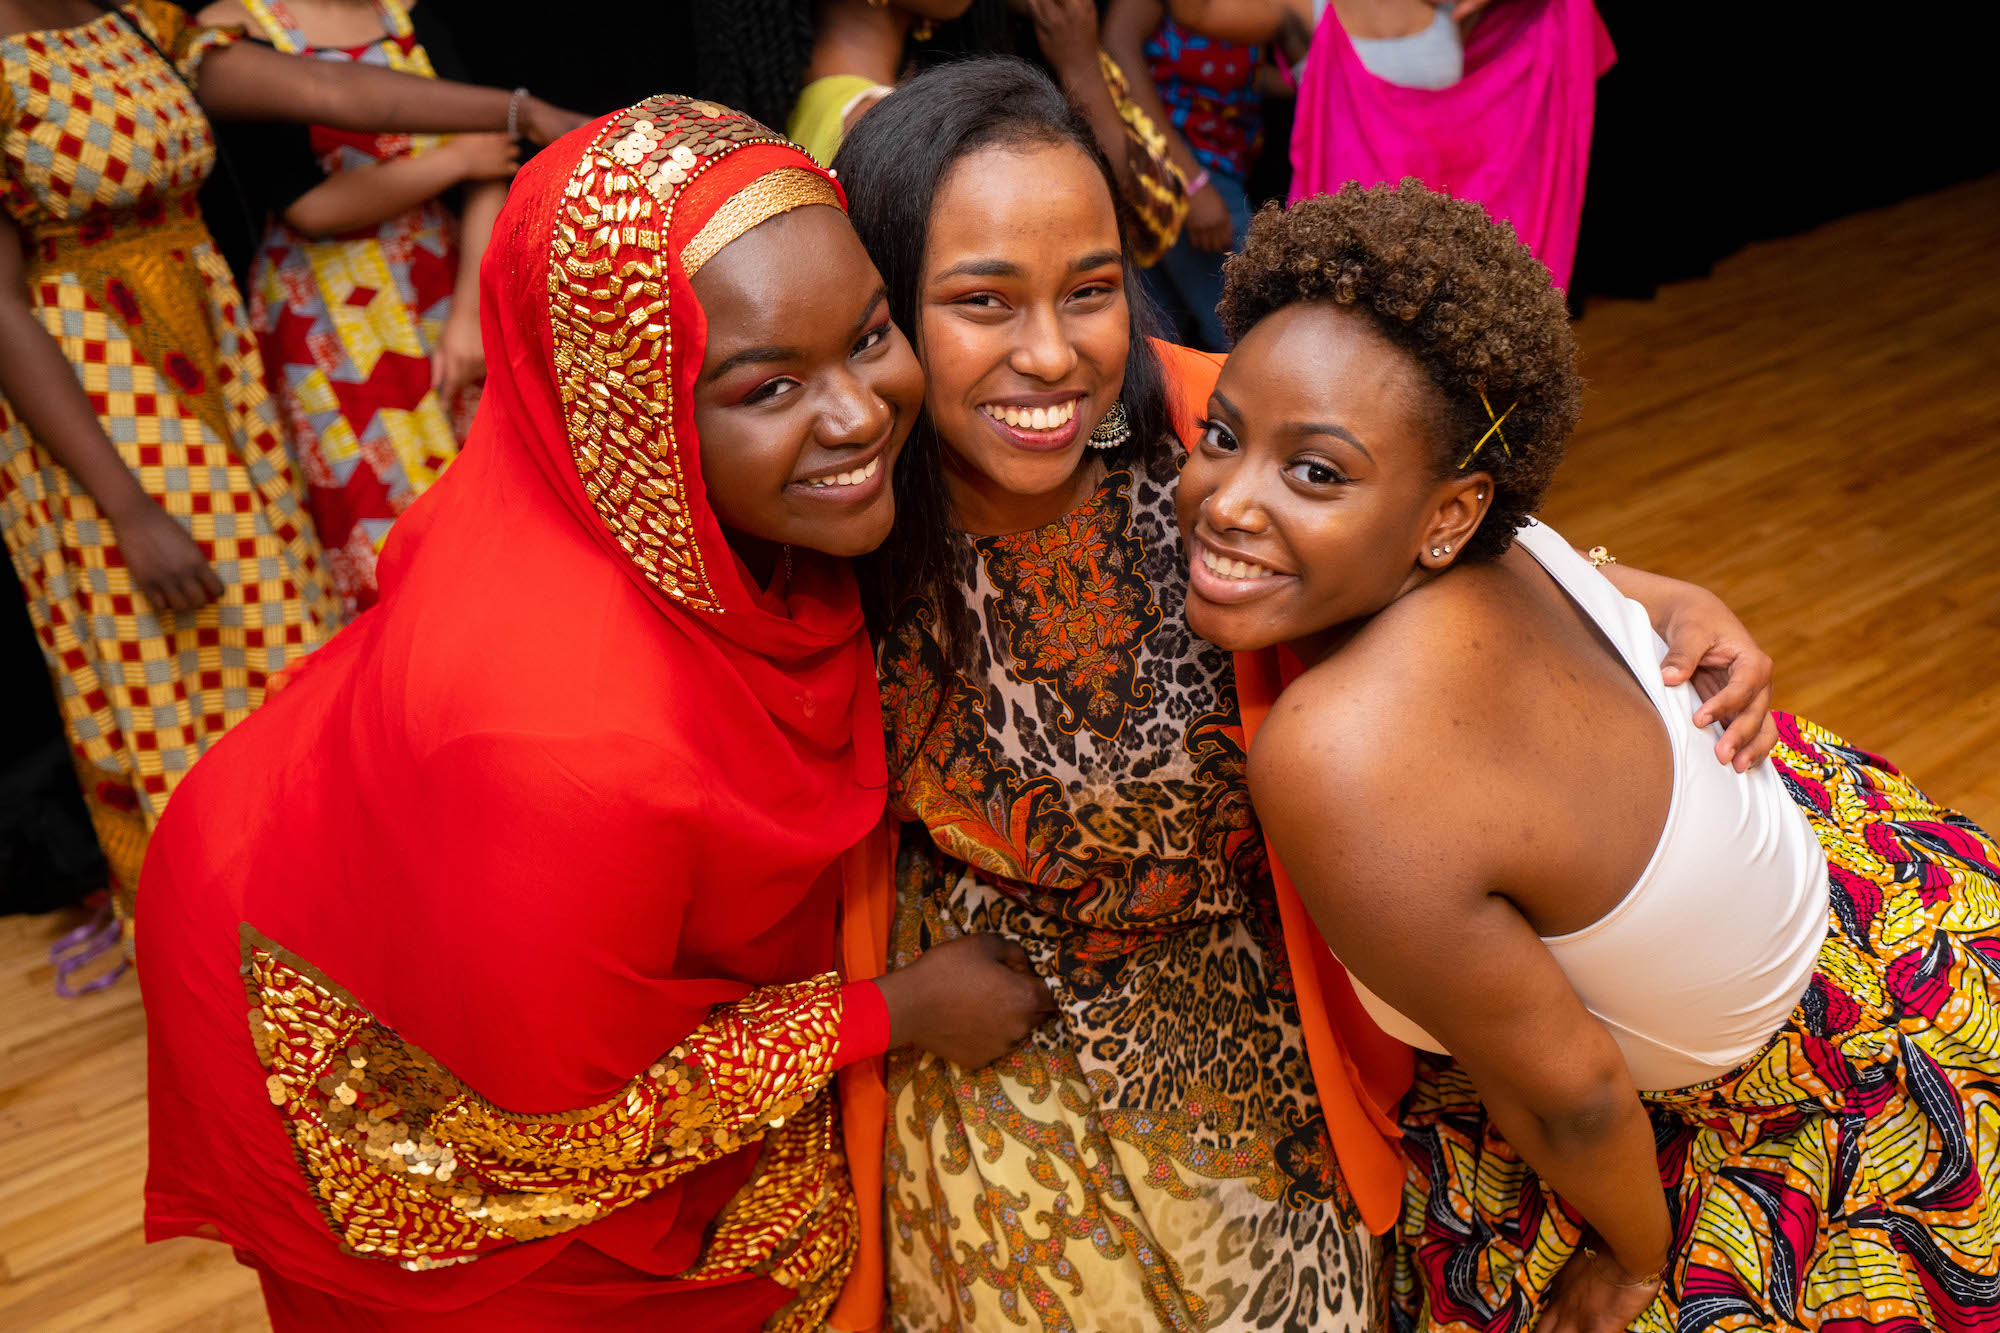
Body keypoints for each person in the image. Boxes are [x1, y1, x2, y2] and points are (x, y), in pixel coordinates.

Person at [831, 56, 1781, 1332]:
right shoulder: (838, 509)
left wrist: (1654, 599)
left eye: (1093, 290)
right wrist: (890, 1004)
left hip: (1262, 973)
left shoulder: (1204, 424)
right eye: (980, 301)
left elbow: (1433, 533)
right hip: (985, 982)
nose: (1050, 355)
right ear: (886, 313)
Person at [140, 94, 1053, 1332]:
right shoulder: (570, 749)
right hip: (414, 1075)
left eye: (870, 333)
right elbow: (581, 1112)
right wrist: (908, 1008)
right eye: (766, 384)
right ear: (630, 412)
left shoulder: (646, 507)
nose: (856, 413)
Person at [1180, 180, 2000, 1332]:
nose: (1224, 500)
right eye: (1222, 436)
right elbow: (1596, 569)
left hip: (1811, 1107)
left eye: (1313, 472)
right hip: (1885, 890)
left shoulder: (1338, 753)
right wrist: (1677, 593)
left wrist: (1629, 1261)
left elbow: (1569, 1102)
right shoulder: (1498, 536)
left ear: (1447, 516)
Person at [0, 0, 582, 924]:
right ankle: (229, 951)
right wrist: (126, 506)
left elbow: (347, 92)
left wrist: (509, 124)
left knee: (291, 641)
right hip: (102, 387)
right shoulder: (117, 42)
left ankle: (342, 921)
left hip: (222, 360)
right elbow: (1, 310)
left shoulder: (133, 19)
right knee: (175, 671)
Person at [197, 0, 513, 612]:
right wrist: (451, 160)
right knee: (385, 519)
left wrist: (471, 316)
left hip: (446, 282)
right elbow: (310, 208)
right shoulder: (237, 27)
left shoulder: (408, 15)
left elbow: (493, 160)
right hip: (326, 317)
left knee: (496, 498)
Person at [1167, 0, 1613, 290]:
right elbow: (1195, 11)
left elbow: (1560, 16)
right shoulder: (1308, 6)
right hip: (1349, 249)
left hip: (1441, 237)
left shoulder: (1446, 6)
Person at [1104, 0, 1268, 351]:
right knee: (1250, 339)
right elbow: (1117, 47)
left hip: (1221, 164)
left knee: (1160, 347)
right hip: (1185, 164)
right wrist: (1189, 182)